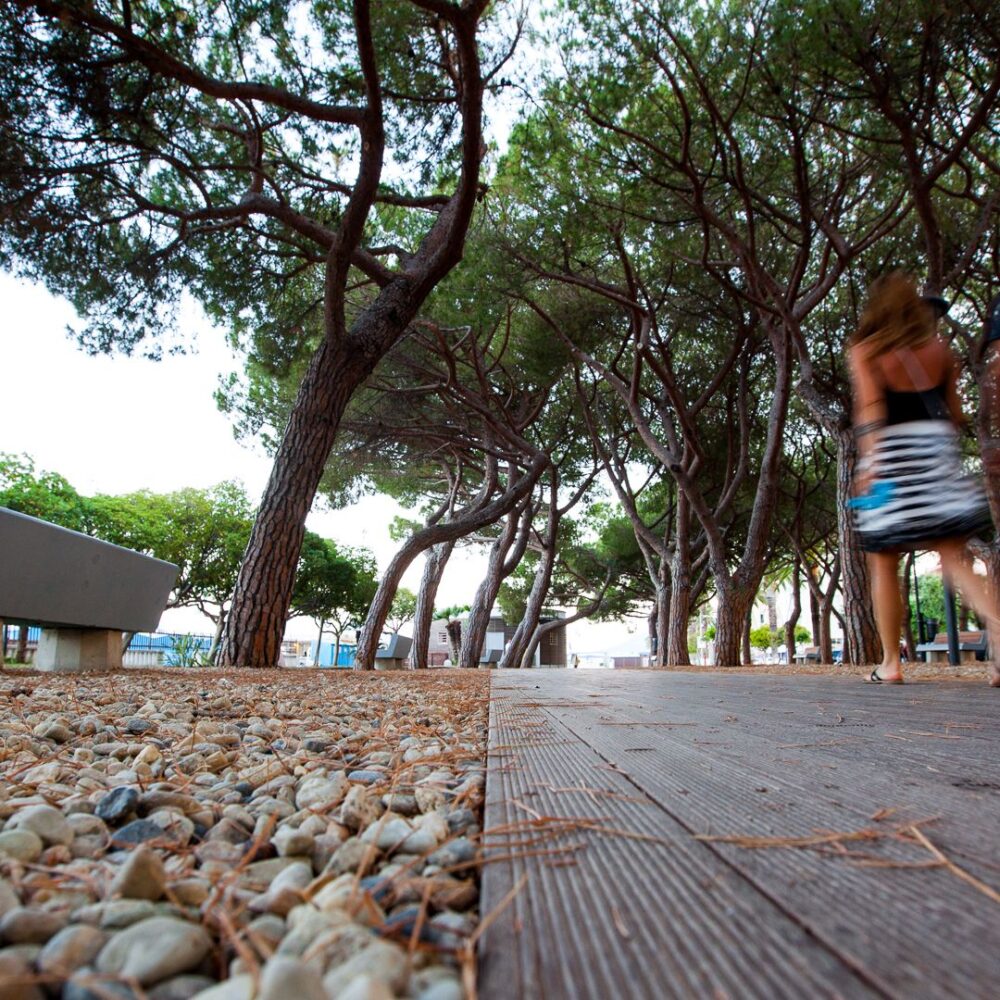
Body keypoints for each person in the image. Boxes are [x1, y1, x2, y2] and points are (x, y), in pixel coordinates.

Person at [847, 272, 999, 685]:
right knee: (953, 555)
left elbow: (871, 408)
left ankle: (890, 663)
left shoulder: (866, 350)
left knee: (883, 561)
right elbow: (955, 411)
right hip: (935, 451)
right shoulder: (940, 352)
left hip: (892, 455)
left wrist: (871, 463)